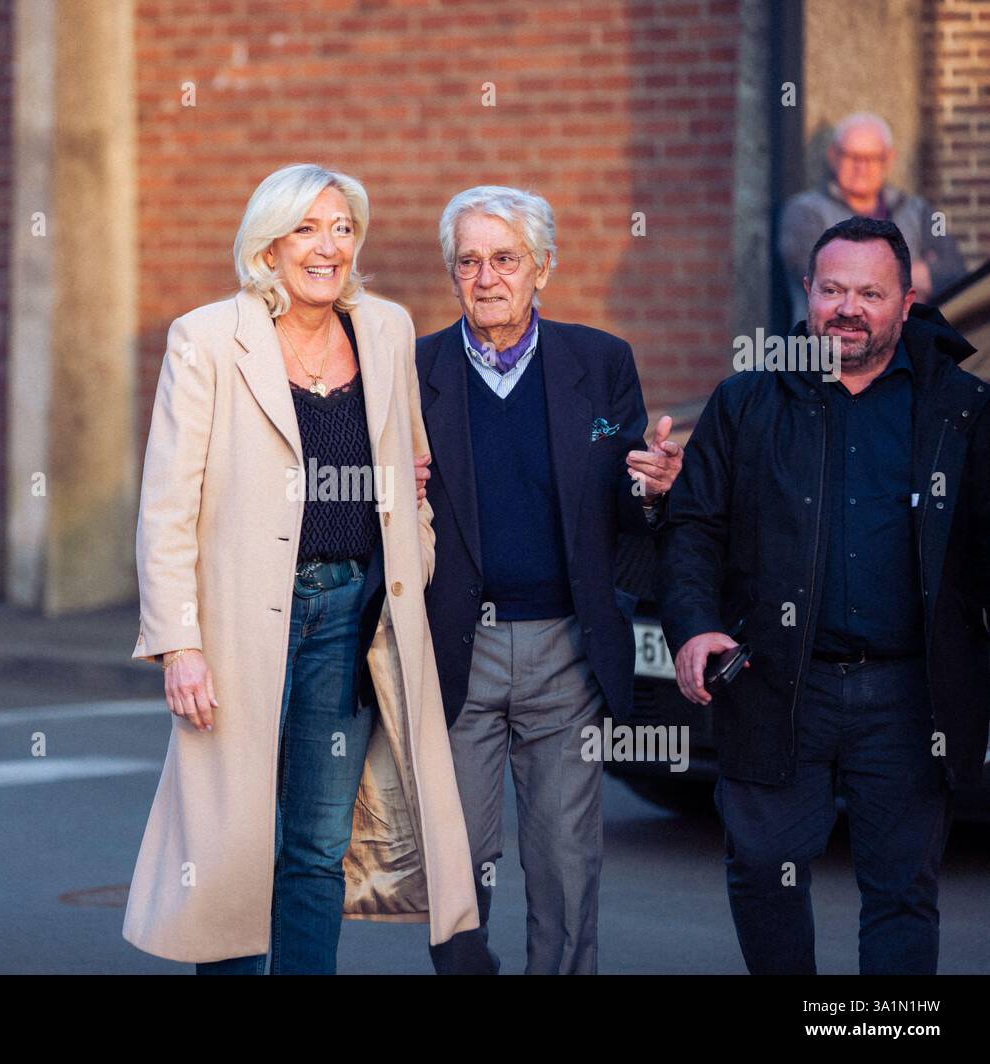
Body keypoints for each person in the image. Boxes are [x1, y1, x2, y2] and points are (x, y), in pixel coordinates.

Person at [122, 163, 479, 974]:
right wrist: (178, 643)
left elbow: (411, 465)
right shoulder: (208, 337)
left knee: (318, 845)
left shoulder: (384, 329)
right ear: (269, 246)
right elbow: (168, 504)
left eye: (344, 229)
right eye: (308, 229)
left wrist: (410, 558)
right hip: (243, 622)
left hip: (351, 615)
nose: (330, 248)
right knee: (232, 841)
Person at [658, 216, 990, 975]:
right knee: (762, 871)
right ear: (807, 291)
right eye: (832, 288)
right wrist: (695, 626)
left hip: (912, 695)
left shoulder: (961, 411)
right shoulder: (746, 402)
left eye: (870, 293)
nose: (848, 307)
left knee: (903, 891)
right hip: (776, 683)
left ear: (907, 302)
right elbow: (693, 530)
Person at [416, 186, 682, 975]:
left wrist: (651, 488)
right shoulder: (412, 368)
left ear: (544, 268)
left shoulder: (600, 362)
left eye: (505, 259)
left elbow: (625, 507)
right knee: (454, 867)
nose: (486, 276)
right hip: (454, 644)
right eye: (468, 261)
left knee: (566, 866)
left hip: (565, 646)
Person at [779, 112, 965, 323]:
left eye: (872, 158)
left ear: (888, 159)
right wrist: (915, 277)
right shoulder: (804, 212)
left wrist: (870, 280)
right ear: (833, 156)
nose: (861, 167)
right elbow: (821, 276)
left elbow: (955, 272)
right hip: (828, 346)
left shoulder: (917, 210)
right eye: (852, 156)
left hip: (908, 348)